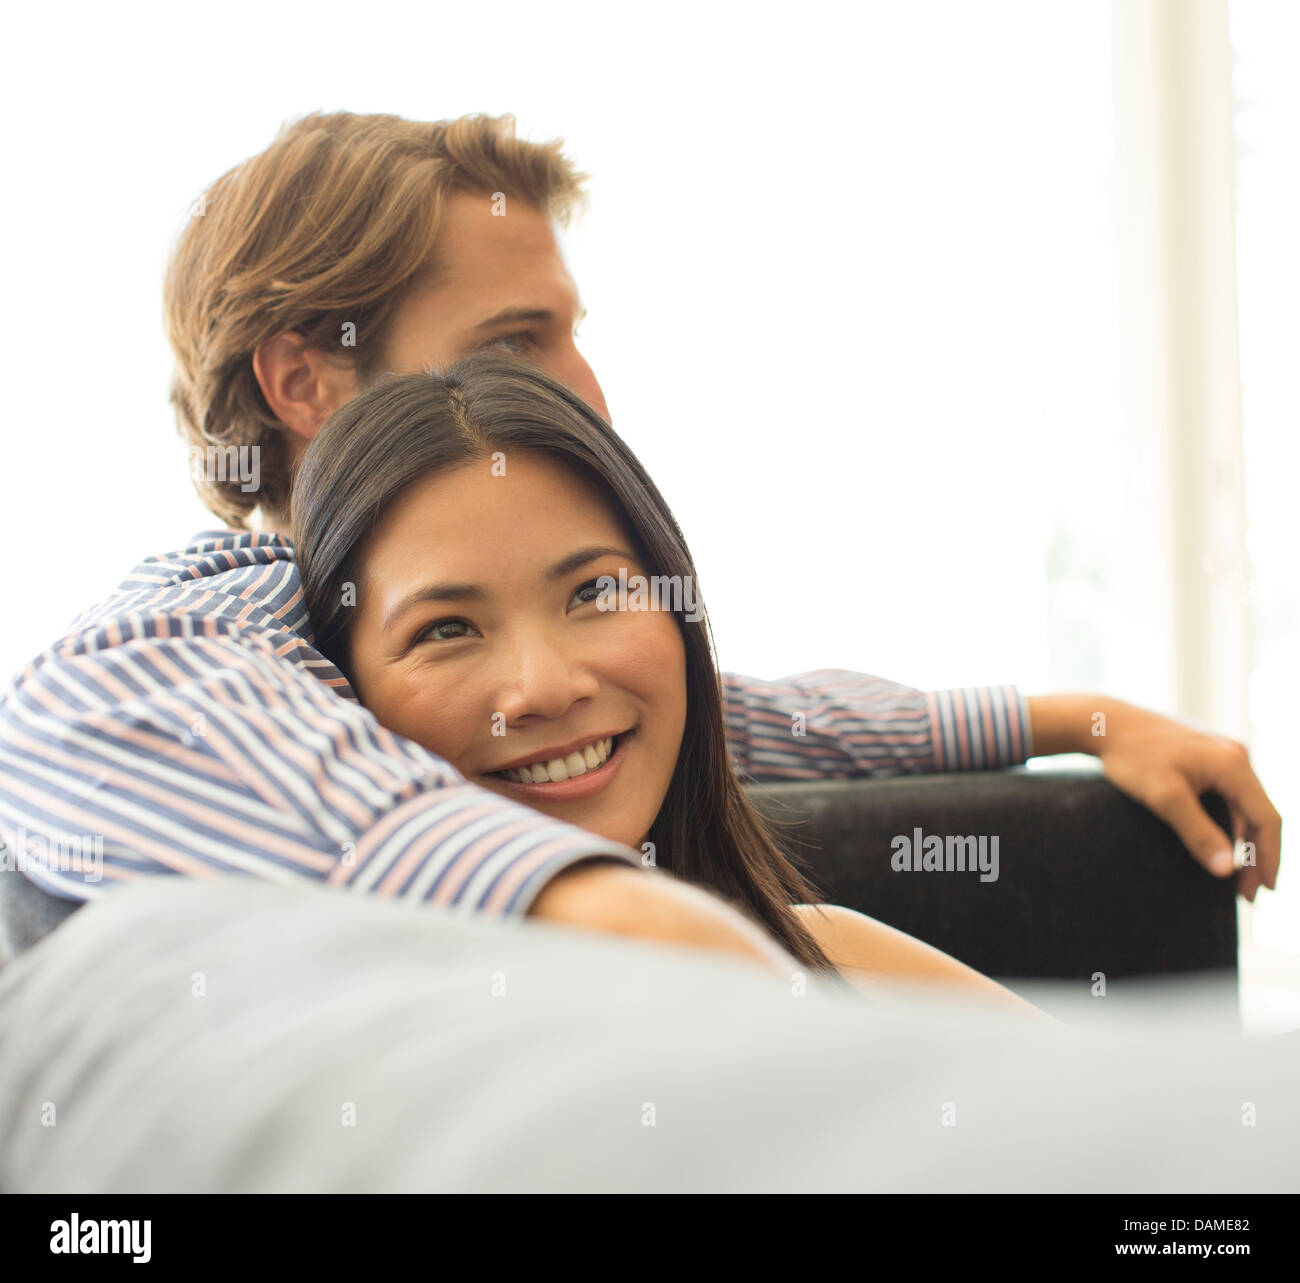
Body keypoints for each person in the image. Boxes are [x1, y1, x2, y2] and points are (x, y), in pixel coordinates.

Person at [0, 111, 1279, 979]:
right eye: (516, 343)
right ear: (308, 384)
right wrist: (642, 923)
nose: (590, 393)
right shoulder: (205, 636)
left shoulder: (415, 655)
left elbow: (762, 715)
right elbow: (95, 710)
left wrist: (1086, 719)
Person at [290, 351, 1048, 1013]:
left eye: (595, 592)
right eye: (445, 629)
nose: (547, 687)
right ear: (338, 684)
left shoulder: (826, 961)